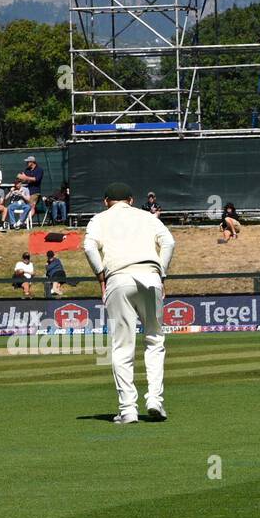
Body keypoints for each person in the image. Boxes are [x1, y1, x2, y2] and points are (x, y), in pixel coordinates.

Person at [82, 181, 175, 425]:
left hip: (119, 278)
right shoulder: (148, 217)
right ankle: (155, 399)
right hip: (150, 277)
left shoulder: (99, 219)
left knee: (123, 346)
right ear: (131, 200)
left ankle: (128, 410)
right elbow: (169, 243)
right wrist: (161, 273)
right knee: (155, 340)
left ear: (106, 202)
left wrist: (101, 276)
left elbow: (89, 247)